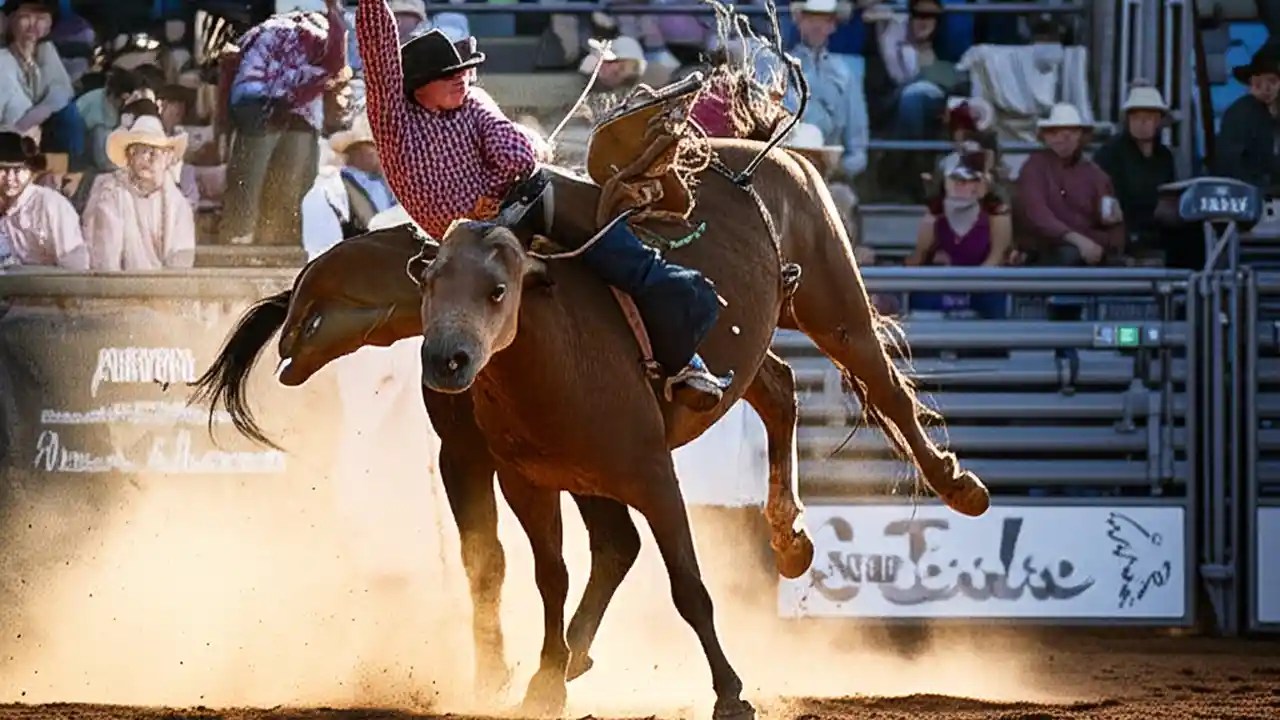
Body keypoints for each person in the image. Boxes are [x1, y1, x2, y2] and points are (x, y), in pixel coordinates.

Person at [355, 0, 731, 409]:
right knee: (612, 249)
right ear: (417, 87)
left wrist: (499, 185)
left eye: (463, 71)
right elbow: (378, 49)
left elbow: (518, 156)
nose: (462, 79)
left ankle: (685, 358)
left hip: (522, 204)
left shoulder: (474, 103)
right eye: (448, 76)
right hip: (485, 226)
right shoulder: (394, 119)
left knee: (620, 252)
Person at [0, 129, 87, 269]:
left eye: (18, 170)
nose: (10, 178)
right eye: (2, 170)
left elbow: (74, 266)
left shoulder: (50, 205)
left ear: (30, 171)